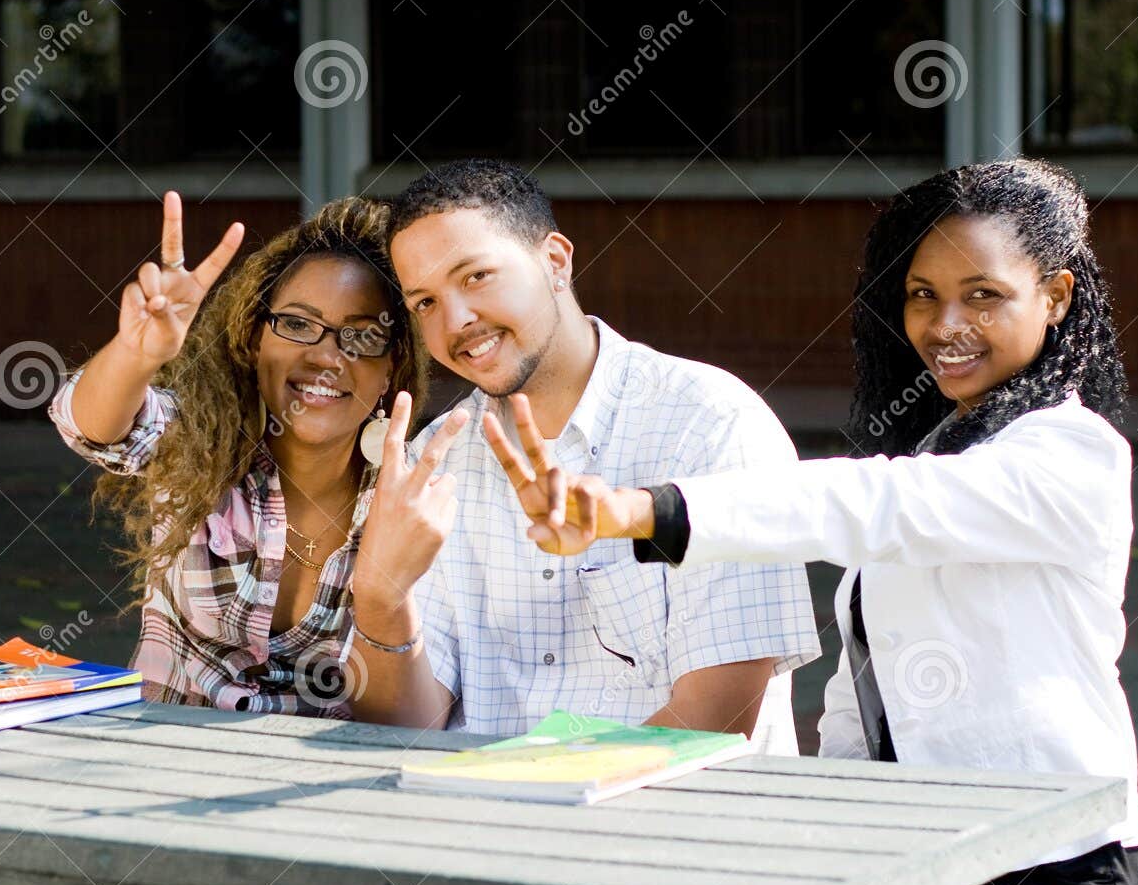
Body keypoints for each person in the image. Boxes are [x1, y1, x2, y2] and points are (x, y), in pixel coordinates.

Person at [485, 157, 1138, 885]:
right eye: (922, 295)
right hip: (917, 882)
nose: (946, 325)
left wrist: (640, 511)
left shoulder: (1072, 456)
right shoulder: (941, 453)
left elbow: (865, 502)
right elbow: (855, 711)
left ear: (1056, 296)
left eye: (983, 295)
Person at [0, 191, 426, 885]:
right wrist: (136, 350)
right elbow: (91, 422)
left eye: (361, 334)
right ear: (255, 336)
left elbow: (409, 726)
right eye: (298, 323)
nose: (325, 354)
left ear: (392, 369)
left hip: (312, 871)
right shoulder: (200, 450)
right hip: (144, 826)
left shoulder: (420, 500)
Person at [347, 160, 821, 748]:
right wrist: (380, 597)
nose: (456, 320)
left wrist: (527, 791)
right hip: (474, 800)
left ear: (555, 261)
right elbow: (405, 731)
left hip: (669, 805)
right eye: (424, 303)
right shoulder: (436, 460)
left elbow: (715, 720)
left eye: (476, 276)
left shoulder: (709, 425)